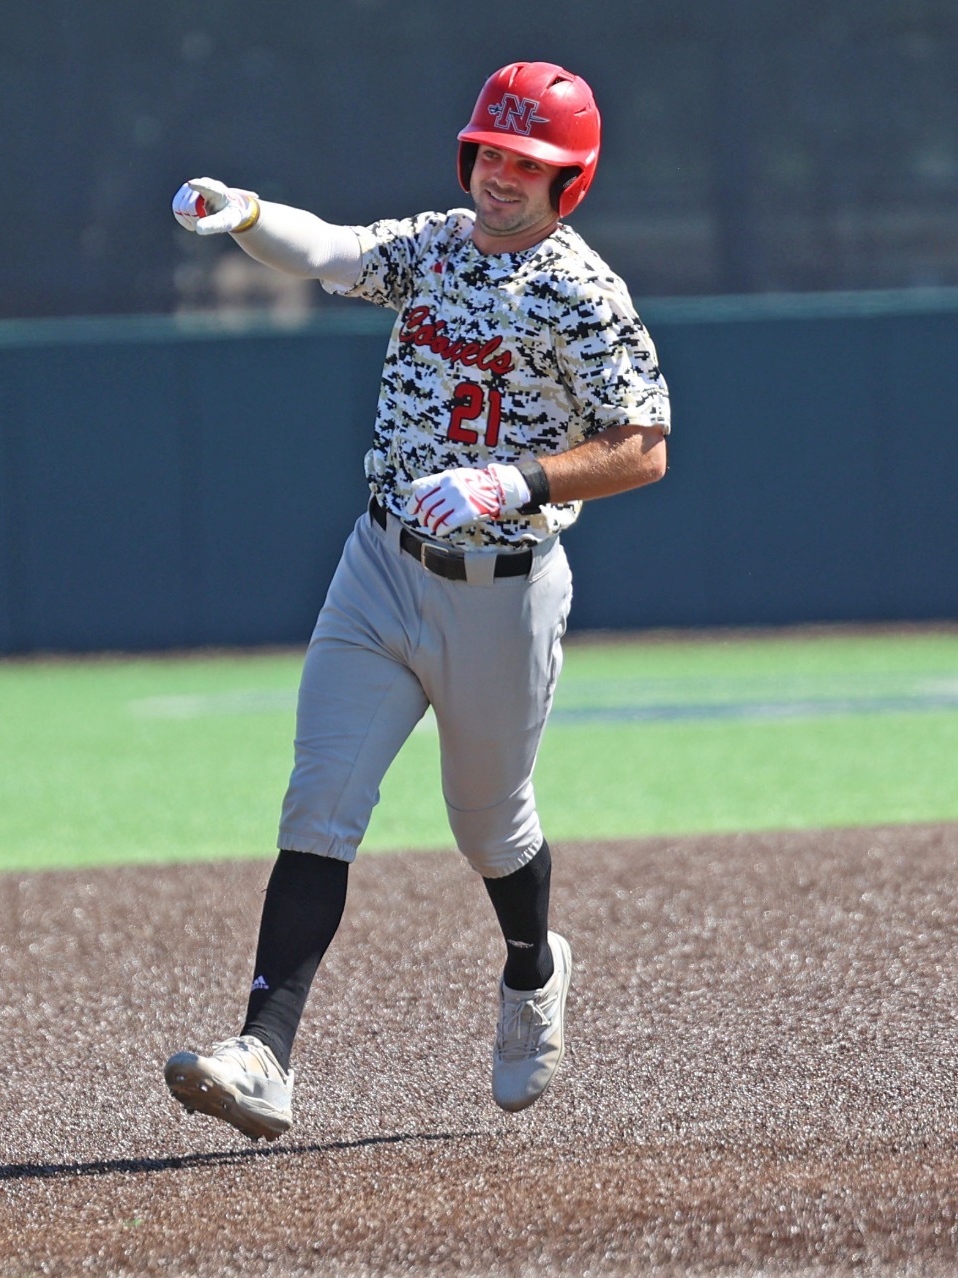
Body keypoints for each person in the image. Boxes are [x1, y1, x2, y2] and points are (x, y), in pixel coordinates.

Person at [162, 62, 671, 1140]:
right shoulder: (439, 246)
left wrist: (513, 480)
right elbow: (335, 251)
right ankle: (263, 1054)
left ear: (565, 180)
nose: (498, 175)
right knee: (318, 805)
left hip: (502, 593)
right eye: (489, 151)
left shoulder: (582, 292)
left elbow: (641, 447)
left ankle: (532, 965)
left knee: (488, 826)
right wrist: (245, 212)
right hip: (379, 568)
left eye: (524, 163)